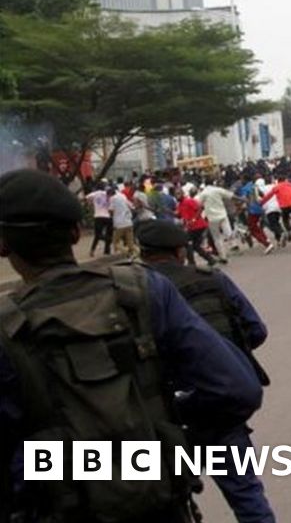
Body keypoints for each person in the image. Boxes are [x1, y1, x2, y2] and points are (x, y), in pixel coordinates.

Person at [0, 169, 263, 523]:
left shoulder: (7, 326)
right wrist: (155, 419)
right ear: (76, 231)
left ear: (3, 244)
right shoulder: (143, 290)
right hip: (159, 501)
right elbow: (237, 388)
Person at [135, 220, 276, 523]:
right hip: (218, 406)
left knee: (168, 503)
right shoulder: (212, 279)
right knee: (247, 495)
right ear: (180, 251)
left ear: (143, 254)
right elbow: (256, 331)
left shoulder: (132, 294)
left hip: (163, 416)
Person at [85, 183, 114, 257]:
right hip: (107, 217)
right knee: (109, 233)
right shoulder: (107, 193)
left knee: (97, 235)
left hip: (98, 216)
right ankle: (107, 250)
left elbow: (86, 198)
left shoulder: (94, 194)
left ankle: (92, 250)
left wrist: (90, 203)